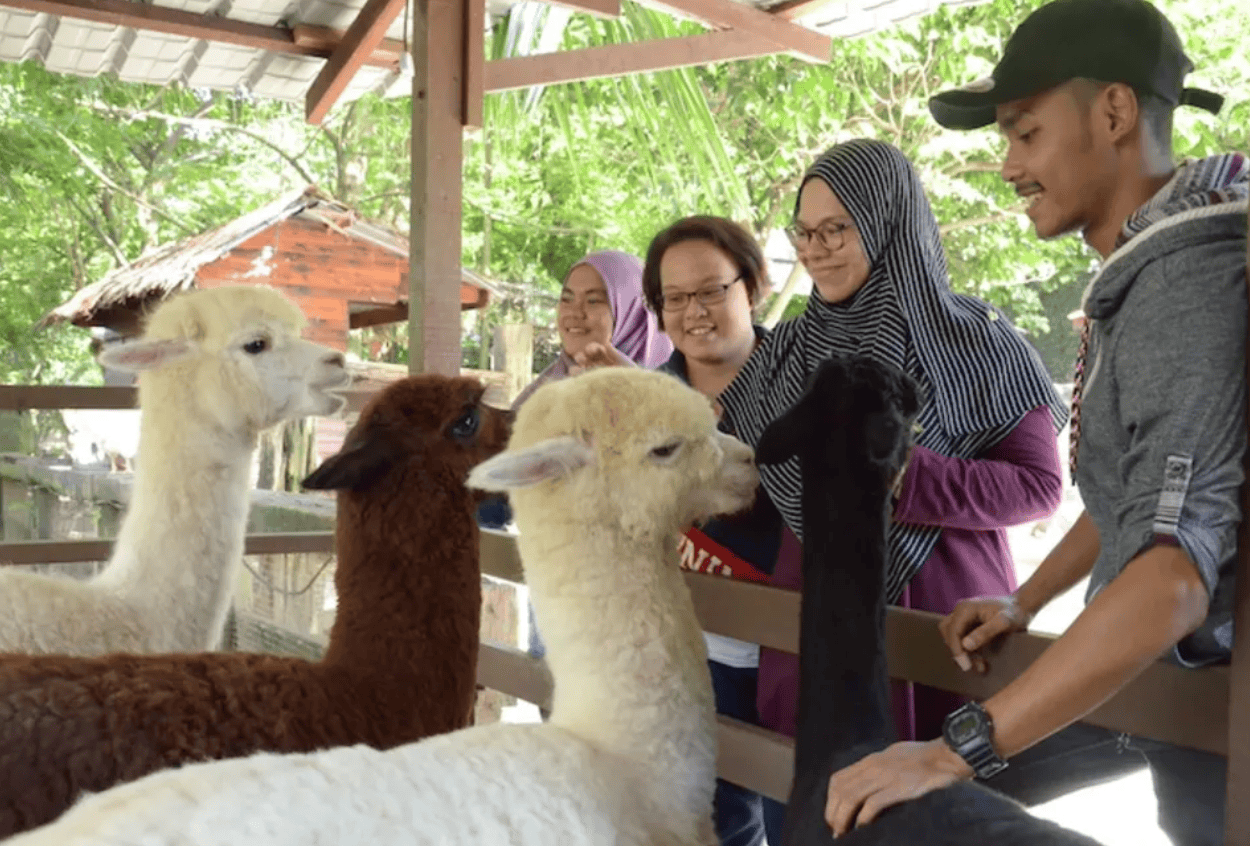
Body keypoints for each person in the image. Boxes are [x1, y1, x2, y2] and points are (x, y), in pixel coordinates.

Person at [823, 2, 1246, 844]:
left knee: (911, 798)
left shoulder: (1188, 287)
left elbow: (1173, 575)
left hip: (1206, 695)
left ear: (1115, 113)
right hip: (1162, 679)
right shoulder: (1151, 269)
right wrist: (1026, 599)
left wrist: (957, 751)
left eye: (1025, 132)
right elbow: (1139, 490)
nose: (1008, 163)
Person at [714, 137, 1067, 763]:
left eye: (836, 229)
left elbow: (1039, 487)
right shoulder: (787, 351)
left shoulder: (979, 341)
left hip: (940, 639)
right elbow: (738, 466)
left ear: (887, 222)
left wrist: (903, 475)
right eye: (805, 232)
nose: (815, 250)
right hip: (815, 637)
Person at [641, 215, 799, 846]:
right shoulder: (644, 401)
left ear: (753, 287)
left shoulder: (805, 378)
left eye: (711, 291)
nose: (694, 312)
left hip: (797, 654)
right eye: (674, 299)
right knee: (714, 827)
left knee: (801, 821)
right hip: (691, 655)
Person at [477, 250, 673, 529]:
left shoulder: (669, 398)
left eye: (593, 300)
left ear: (632, 313)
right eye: (566, 299)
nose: (574, 313)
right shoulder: (548, 387)